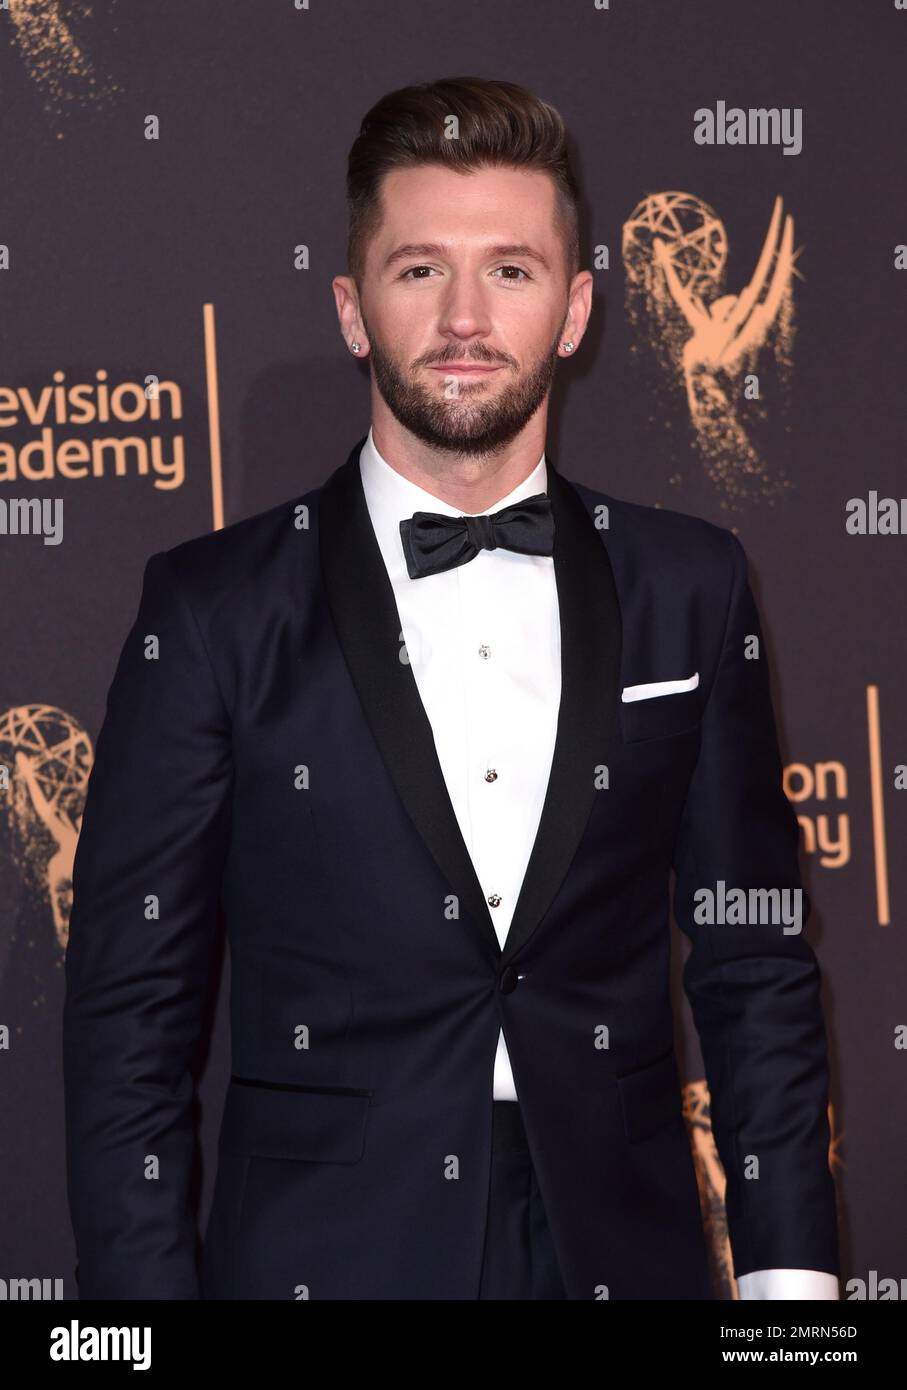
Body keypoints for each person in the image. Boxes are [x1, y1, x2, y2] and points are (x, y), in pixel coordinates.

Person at [63, 76, 840, 1300]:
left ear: (577, 309)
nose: (466, 317)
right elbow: (129, 1017)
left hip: (619, 1250)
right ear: (353, 308)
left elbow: (752, 962)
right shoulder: (212, 608)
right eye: (421, 269)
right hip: (321, 1254)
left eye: (513, 271)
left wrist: (793, 1299)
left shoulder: (690, 585)